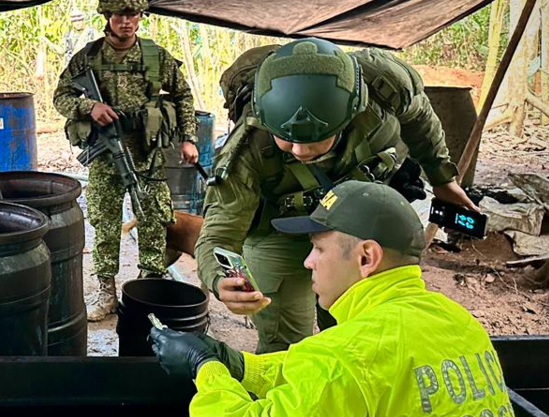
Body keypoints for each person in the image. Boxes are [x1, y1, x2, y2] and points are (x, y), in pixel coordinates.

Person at [195, 37, 481, 352]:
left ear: (348, 117)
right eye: (286, 139)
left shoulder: (384, 88)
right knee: (286, 346)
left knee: (358, 332)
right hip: (278, 229)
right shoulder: (246, 151)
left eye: (317, 139)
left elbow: (419, 118)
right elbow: (217, 235)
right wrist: (222, 280)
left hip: (351, 226)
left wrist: (441, 176)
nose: (300, 150)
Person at [151, 181, 514, 417]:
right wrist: (234, 362)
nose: (308, 262)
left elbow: (334, 371)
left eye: (318, 248)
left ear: (365, 258)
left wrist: (204, 367)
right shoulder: (458, 321)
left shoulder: (345, 355)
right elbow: (317, 373)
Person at [53, 0, 198, 321]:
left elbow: (183, 95)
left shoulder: (155, 56)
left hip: (146, 155)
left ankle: (149, 287)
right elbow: (61, 96)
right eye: (119, 14)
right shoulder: (86, 58)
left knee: (153, 221)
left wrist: (189, 138)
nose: (126, 21)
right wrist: (90, 108)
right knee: (104, 223)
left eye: (133, 13)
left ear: (141, 15)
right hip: (104, 156)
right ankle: (105, 291)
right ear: (107, 15)